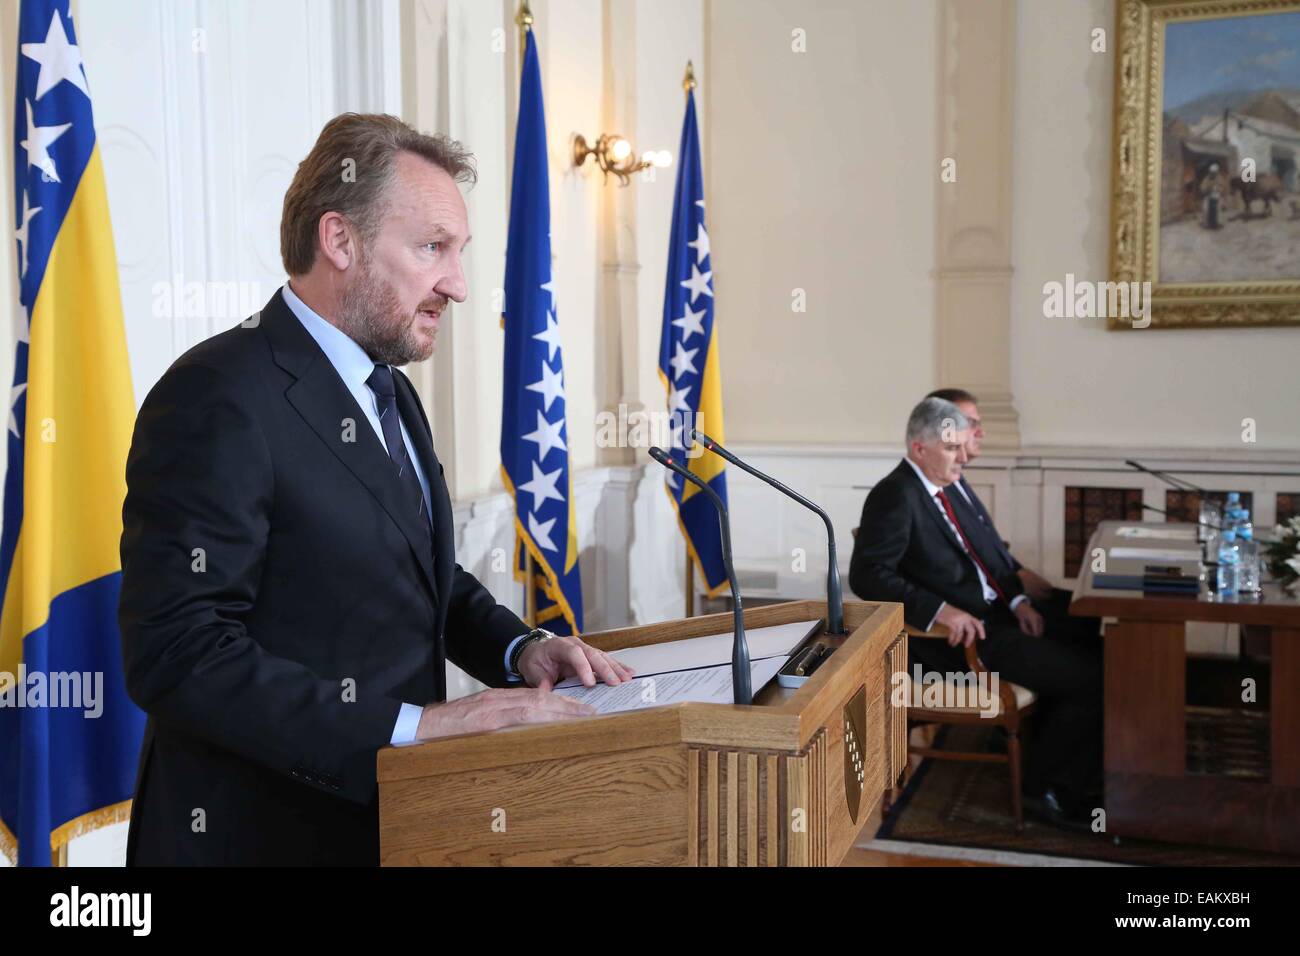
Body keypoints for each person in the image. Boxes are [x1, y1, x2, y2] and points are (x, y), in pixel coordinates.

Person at [118, 113, 632, 865]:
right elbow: (179, 654)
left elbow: (421, 572)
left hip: (391, 825)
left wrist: (520, 647)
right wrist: (420, 727)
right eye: (432, 249)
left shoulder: (387, 388)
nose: (456, 284)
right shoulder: (217, 395)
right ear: (340, 240)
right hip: (254, 838)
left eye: (458, 253)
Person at [848, 397, 1101, 827]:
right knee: (1092, 681)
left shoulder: (950, 483)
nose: (963, 456)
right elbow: (867, 574)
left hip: (998, 613)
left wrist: (1020, 599)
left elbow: (989, 556)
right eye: (952, 448)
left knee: (1096, 633)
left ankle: (1097, 764)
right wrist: (939, 610)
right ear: (919, 448)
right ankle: (1044, 789)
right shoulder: (895, 495)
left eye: (963, 446)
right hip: (958, 642)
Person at [925, 387, 1100, 645]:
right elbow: (962, 562)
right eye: (971, 423)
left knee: (1096, 620)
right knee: (1093, 650)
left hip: (1007, 594)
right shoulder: (931, 489)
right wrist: (1014, 590)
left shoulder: (956, 480)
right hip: (987, 617)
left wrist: (1018, 573)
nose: (980, 432)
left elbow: (984, 543)